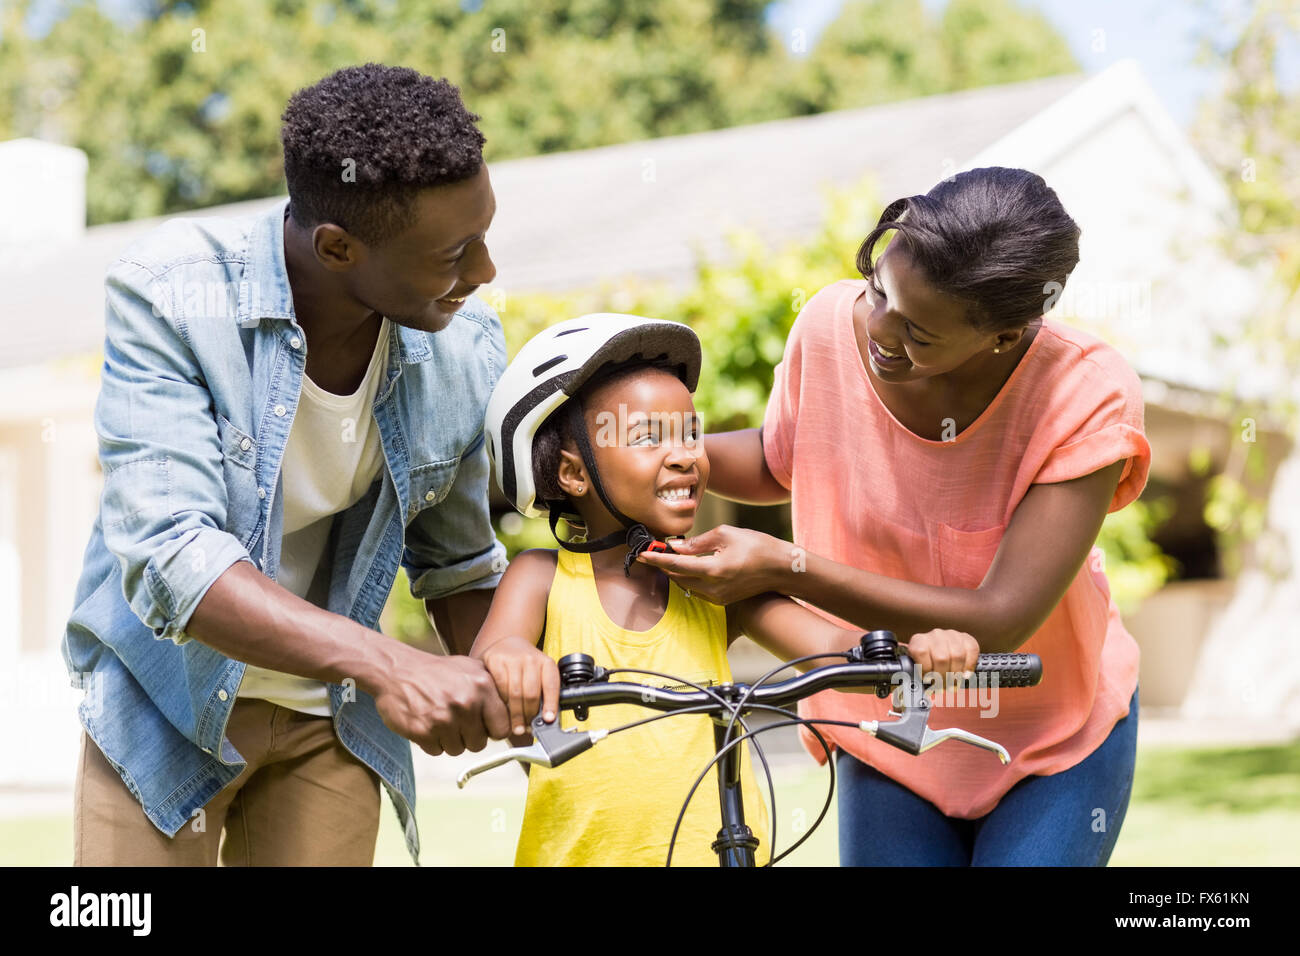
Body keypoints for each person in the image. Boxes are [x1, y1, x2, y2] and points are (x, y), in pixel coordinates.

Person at [62, 64, 512, 867]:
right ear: (337, 248)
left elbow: (458, 565)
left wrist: (503, 659)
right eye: (455, 252)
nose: (484, 273)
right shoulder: (171, 295)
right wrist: (386, 661)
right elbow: (173, 557)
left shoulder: (462, 347)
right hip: (169, 704)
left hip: (331, 720)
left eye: (484, 235)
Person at [638, 167, 1152, 866]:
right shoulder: (828, 324)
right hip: (883, 714)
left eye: (918, 331)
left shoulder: (1084, 394)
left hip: (1049, 733)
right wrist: (653, 452)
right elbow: (778, 457)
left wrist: (782, 565)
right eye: (880, 288)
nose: (878, 329)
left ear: (1002, 337)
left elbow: (998, 616)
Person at [469, 314, 981, 866]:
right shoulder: (541, 578)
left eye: (691, 432)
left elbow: (843, 656)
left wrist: (919, 658)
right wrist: (513, 658)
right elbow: (489, 661)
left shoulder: (717, 585)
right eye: (647, 437)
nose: (687, 454)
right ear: (573, 474)